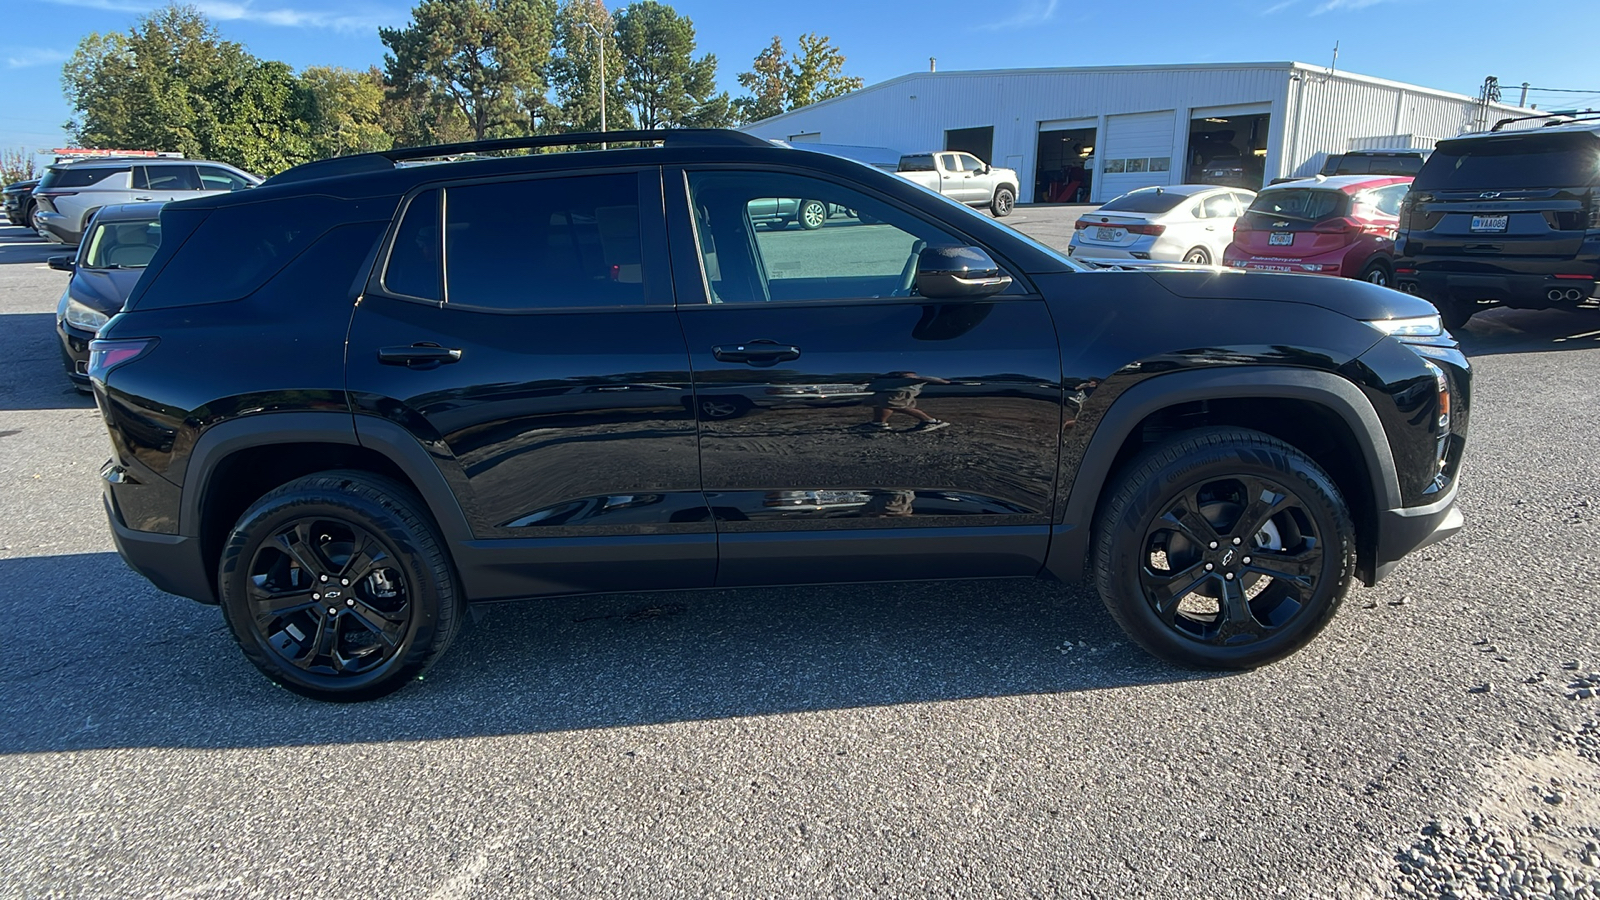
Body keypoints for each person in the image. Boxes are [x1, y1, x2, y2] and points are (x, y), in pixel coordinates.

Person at [857, 371, 950, 433]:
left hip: (897, 392)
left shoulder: (913, 379)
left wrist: (914, 378)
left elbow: (941, 381)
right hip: (883, 391)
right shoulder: (884, 379)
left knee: (898, 406)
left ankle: (930, 421)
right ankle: (878, 423)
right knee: (880, 404)